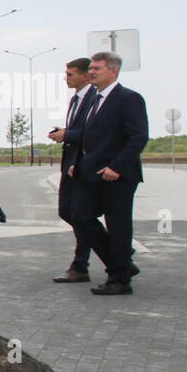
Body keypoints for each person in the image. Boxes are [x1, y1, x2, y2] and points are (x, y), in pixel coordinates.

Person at [63, 51, 147, 295]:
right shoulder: (92, 100)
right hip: (90, 172)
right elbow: (88, 137)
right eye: (90, 68)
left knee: (118, 226)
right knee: (79, 216)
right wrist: (77, 163)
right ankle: (120, 264)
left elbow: (138, 137)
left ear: (113, 71)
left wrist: (117, 167)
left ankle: (119, 280)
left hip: (118, 175)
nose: (91, 72)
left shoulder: (128, 99)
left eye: (97, 68)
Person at [47, 58, 95, 281]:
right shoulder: (76, 99)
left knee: (81, 216)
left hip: (84, 166)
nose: (65, 78)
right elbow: (80, 130)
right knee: (68, 212)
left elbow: (96, 133)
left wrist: (67, 134)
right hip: (71, 164)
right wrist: (65, 132)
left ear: (86, 76)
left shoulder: (94, 99)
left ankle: (81, 265)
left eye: (70, 74)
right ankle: (116, 252)